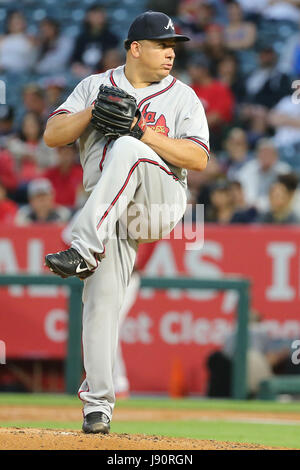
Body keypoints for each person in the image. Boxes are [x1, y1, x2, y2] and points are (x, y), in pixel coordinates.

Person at [43, 11, 209, 434]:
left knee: (126, 149)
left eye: (174, 47)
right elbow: (53, 134)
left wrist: (141, 131)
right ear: (135, 48)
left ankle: (82, 247)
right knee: (99, 307)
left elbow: (199, 158)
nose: (171, 54)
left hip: (159, 200)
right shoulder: (94, 85)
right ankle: (97, 407)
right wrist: (92, 112)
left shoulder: (183, 97)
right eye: (162, 46)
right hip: (109, 214)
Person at [70, 4, 120, 78]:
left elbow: (112, 58)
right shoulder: (81, 38)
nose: (97, 18)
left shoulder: (112, 38)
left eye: (99, 15)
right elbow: (75, 58)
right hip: (83, 72)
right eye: (94, 15)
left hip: (104, 71)